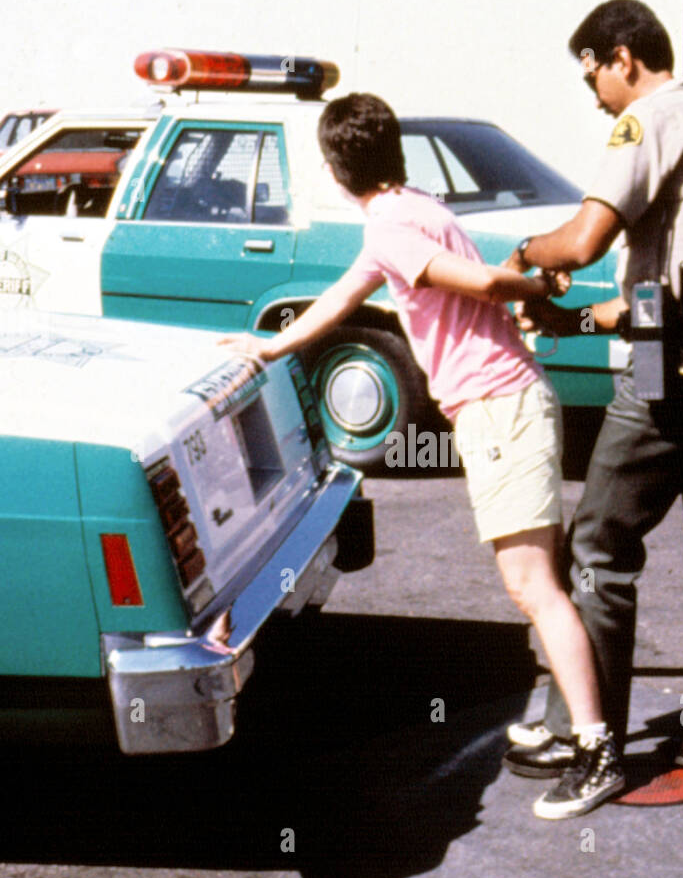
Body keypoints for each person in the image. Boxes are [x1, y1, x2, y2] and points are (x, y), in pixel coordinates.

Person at [219, 92, 625, 817]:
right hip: (505, 404)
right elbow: (343, 296)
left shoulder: (391, 226)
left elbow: (488, 283)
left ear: (336, 170)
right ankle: (577, 729)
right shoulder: (414, 209)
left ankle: (597, 751)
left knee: (533, 586)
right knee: (541, 582)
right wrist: (270, 346)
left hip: (499, 408)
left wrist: (534, 284)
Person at [501, 0, 683, 814]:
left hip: (674, 374)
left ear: (622, 57)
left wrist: (527, 255)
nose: (593, 94)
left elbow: (584, 240)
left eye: (591, 73)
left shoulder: (649, 120)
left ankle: (580, 729)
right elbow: (670, 286)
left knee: (598, 543)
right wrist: (578, 319)